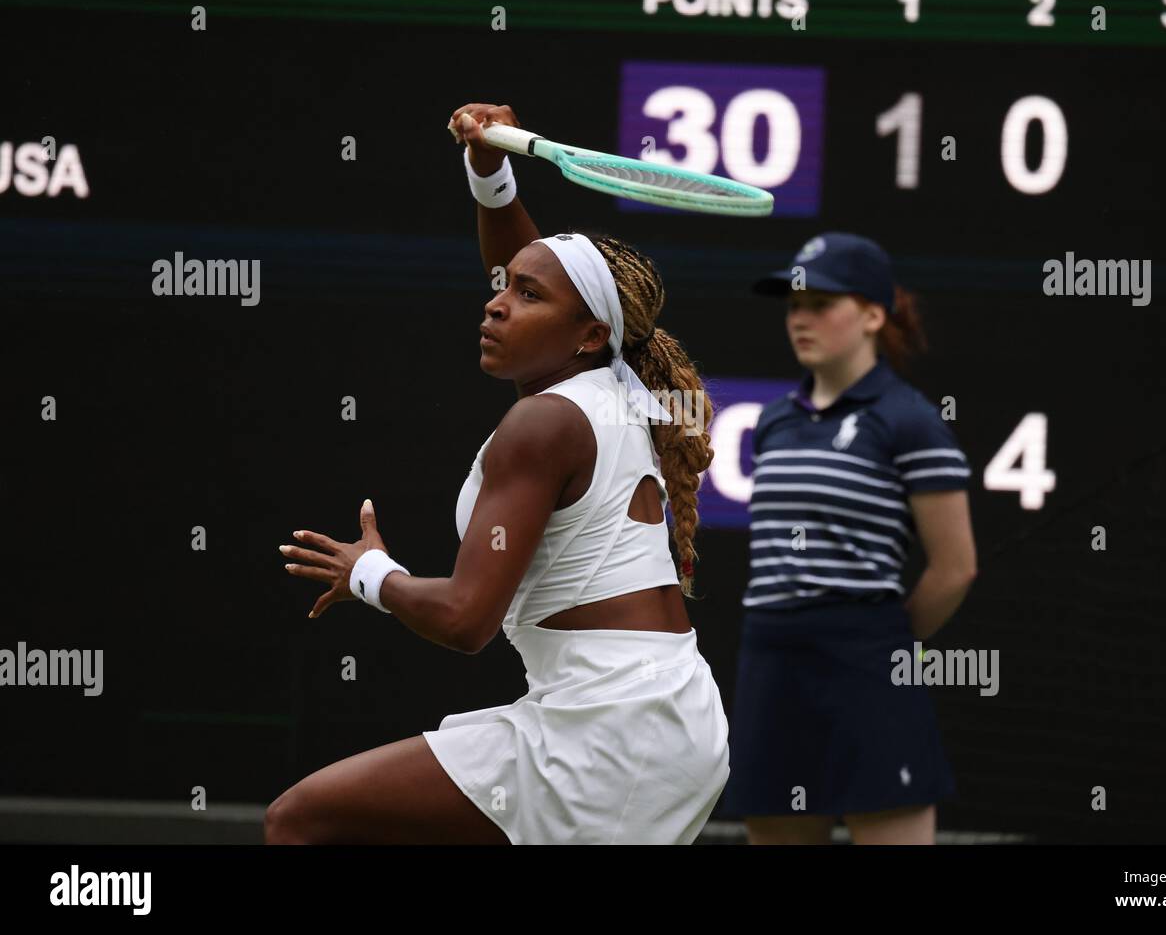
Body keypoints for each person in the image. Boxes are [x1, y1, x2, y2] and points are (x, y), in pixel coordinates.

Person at [263, 103, 728, 845]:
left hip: (610, 731)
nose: (497, 303)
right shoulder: (614, 386)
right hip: (660, 716)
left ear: (589, 335)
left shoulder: (541, 423)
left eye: (525, 297)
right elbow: (549, 273)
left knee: (301, 822)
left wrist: (370, 573)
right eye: (502, 286)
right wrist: (490, 171)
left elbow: (464, 619)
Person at [722, 232, 978, 844]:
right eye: (793, 306)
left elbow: (956, 567)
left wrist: (875, 642)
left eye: (820, 304)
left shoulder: (910, 419)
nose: (801, 319)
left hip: (869, 668)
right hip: (772, 663)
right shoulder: (776, 421)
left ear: (872, 314)